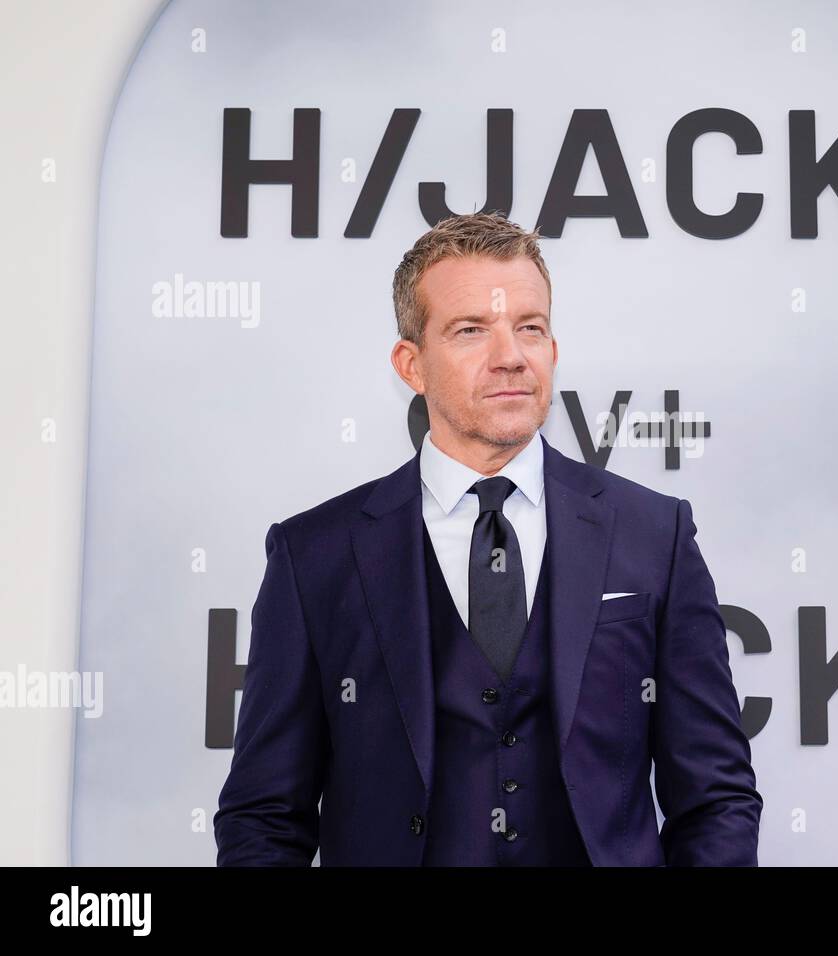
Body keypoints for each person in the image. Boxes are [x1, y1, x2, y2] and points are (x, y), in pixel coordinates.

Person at [213, 211, 762, 866]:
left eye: (530, 327)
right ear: (410, 364)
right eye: (471, 330)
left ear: (553, 350)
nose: (511, 356)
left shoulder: (654, 534)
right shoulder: (316, 557)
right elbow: (265, 817)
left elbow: (715, 800)